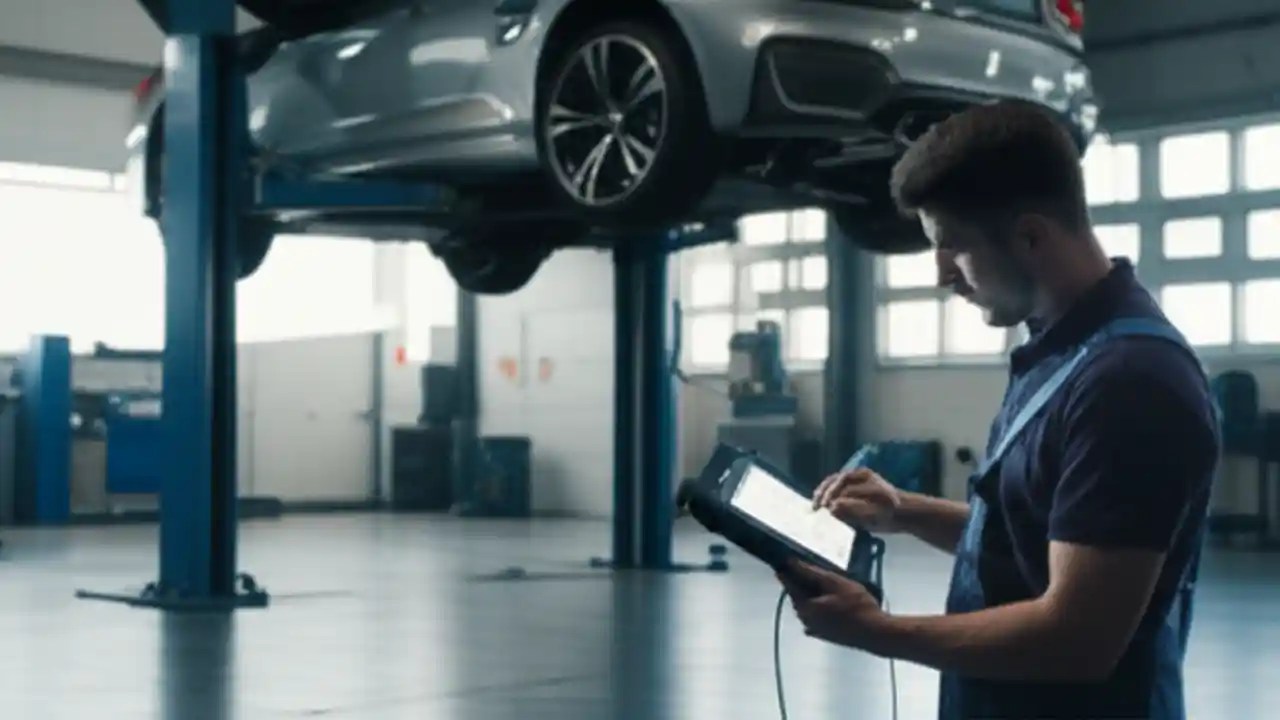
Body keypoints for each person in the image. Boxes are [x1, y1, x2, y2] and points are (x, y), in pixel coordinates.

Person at [778, 100, 1221, 720]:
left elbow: (1078, 639)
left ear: (1031, 236)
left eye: (953, 248)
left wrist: (876, 630)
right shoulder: (1059, 349)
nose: (942, 275)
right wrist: (903, 510)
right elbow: (1034, 538)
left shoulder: (1132, 383)